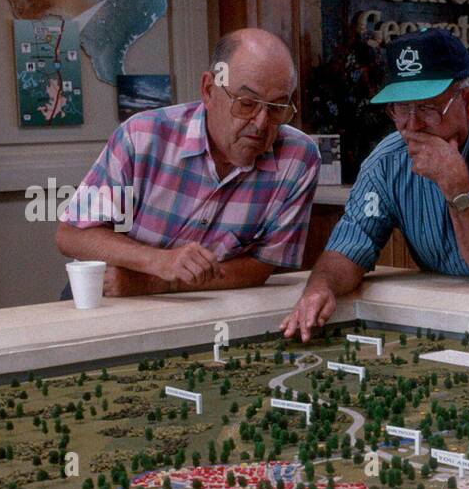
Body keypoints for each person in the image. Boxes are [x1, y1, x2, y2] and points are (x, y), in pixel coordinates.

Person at [281, 28, 469, 341]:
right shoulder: (386, 161)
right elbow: (350, 245)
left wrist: (457, 187)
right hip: (461, 314)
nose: (411, 125)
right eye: (400, 108)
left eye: (426, 108)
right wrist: (320, 287)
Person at [56, 28, 318, 296]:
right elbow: (71, 234)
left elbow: (260, 267)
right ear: (208, 90)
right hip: (107, 293)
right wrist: (158, 262)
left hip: (193, 301)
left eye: (276, 108)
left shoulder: (298, 159)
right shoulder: (142, 136)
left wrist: (153, 283)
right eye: (247, 104)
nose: (261, 124)